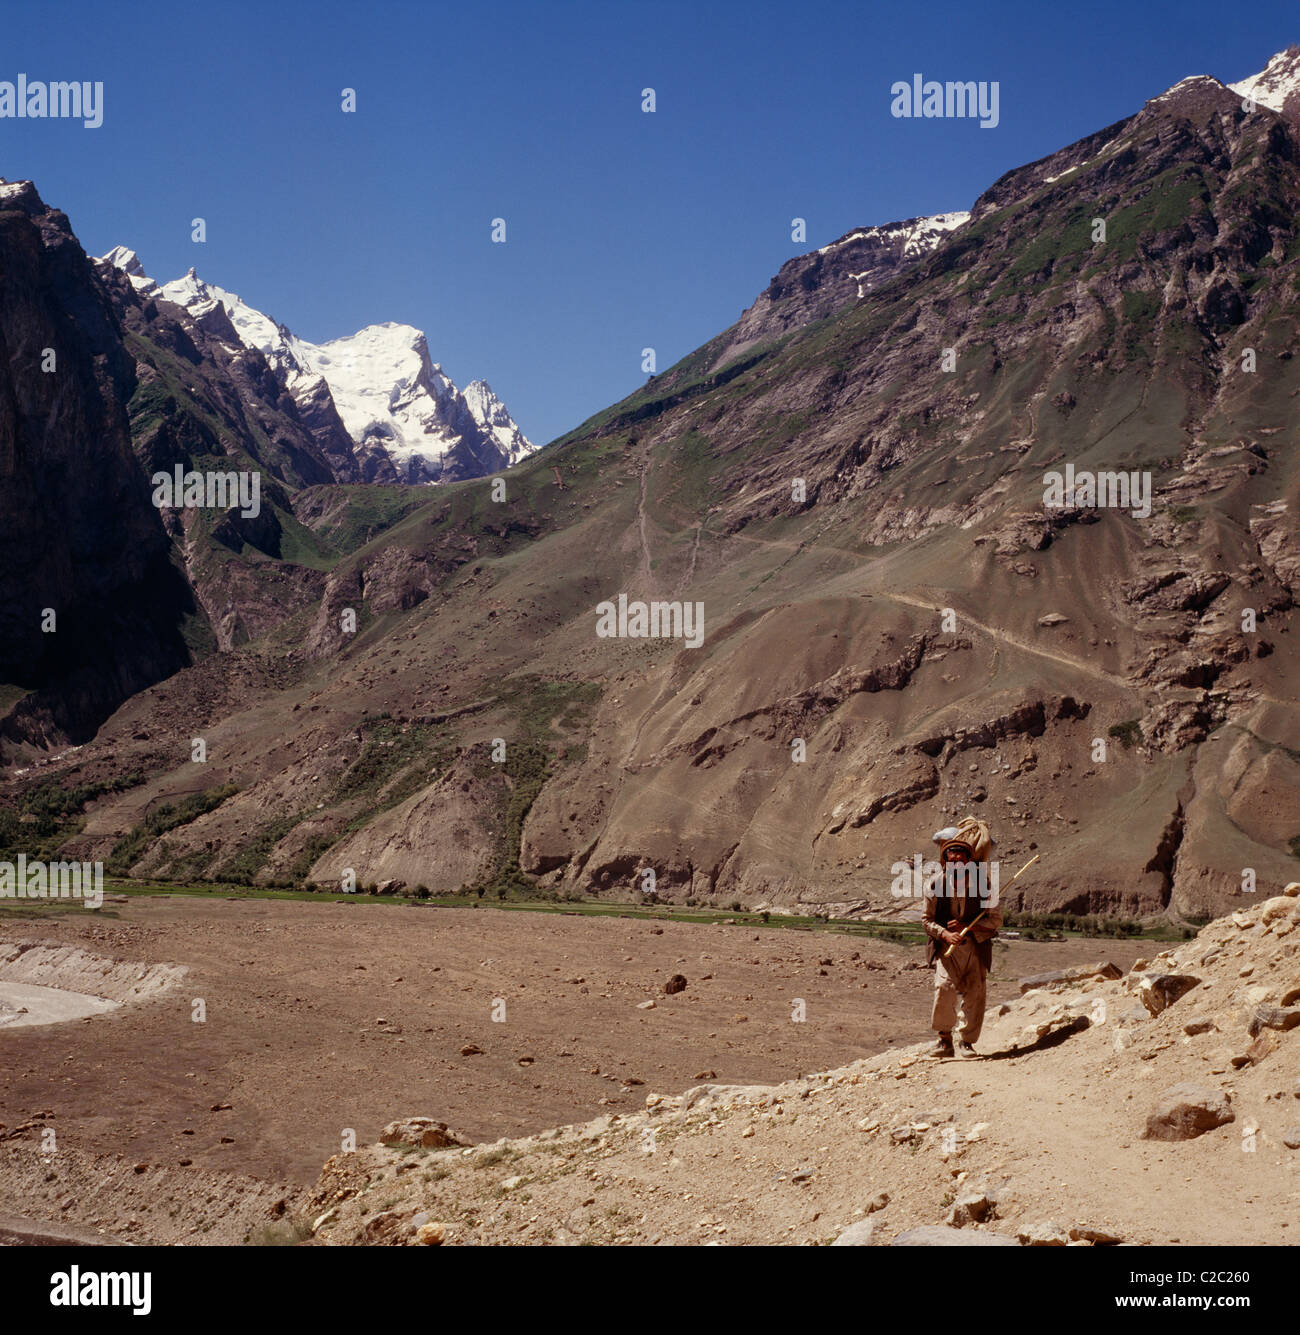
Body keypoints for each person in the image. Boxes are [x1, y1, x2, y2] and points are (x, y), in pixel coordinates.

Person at [922, 817, 1000, 1058]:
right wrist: (945, 933)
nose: (955, 864)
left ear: (969, 862)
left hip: (975, 950)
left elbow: (996, 922)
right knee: (944, 989)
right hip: (947, 951)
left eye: (960, 861)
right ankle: (944, 1041)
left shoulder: (985, 885)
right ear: (944, 862)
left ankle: (967, 1043)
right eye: (950, 860)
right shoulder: (934, 885)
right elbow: (926, 920)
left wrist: (969, 927)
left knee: (975, 993)